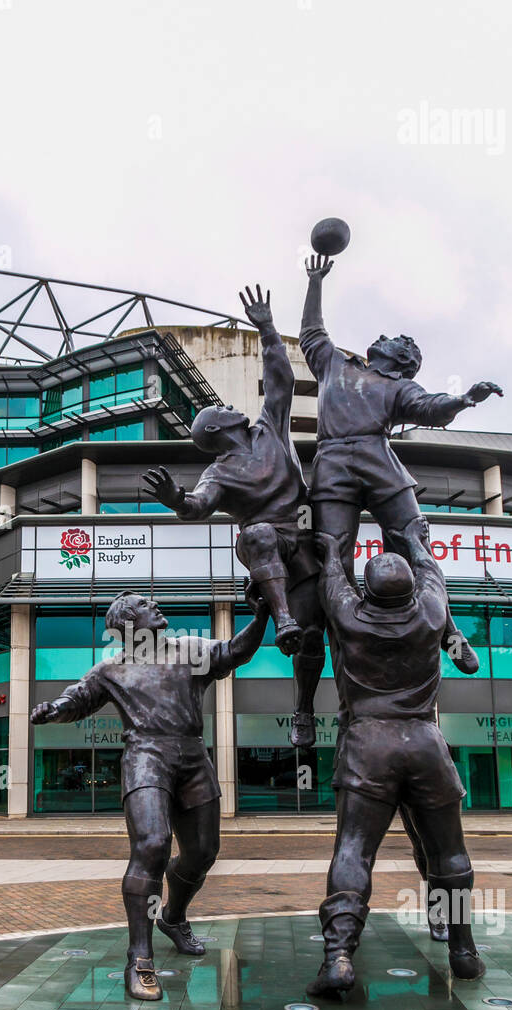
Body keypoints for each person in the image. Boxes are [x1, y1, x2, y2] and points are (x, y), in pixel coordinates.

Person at [30, 588, 268, 1000]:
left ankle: (173, 917)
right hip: (146, 756)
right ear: (126, 624)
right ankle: (139, 958)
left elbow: (235, 651)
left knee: (203, 852)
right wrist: (54, 710)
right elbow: (78, 697)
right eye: (143, 604)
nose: (154, 605)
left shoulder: (190, 650)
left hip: (192, 755)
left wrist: (262, 615)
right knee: (153, 844)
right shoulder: (112, 669)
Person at [301, 252, 503, 674]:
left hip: (378, 461)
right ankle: (342, 651)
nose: (385, 336)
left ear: (402, 359)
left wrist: (464, 398)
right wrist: (315, 281)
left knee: (415, 543)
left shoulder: (398, 386)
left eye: (397, 340)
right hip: (333, 466)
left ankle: (449, 632)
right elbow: (311, 332)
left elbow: (430, 407)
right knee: (333, 559)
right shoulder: (335, 363)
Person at [308, 515, 486, 997]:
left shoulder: (349, 616)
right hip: (425, 742)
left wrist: (329, 549)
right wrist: (416, 539)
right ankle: (463, 950)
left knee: (353, 850)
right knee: (449, 851)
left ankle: (339, 957)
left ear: (369, 592)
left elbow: (331, 580)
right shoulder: (431, 610)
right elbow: (431, 569)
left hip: (369, 744)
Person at [143, 285, 325, 752]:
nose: (229, 406)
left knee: (322, 632)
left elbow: (279, 376)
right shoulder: (218, 472)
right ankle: (300, 696)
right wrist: (174, 499)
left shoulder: (270, 428)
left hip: (312, 532)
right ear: (217, 428)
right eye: (221, 409)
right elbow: (198, 506)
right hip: (274, 549)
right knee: (259, 539)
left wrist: (266, 327)